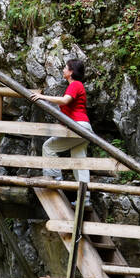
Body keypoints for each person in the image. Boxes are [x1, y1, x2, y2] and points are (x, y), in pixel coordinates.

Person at [30, 58, 93, 195]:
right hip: (83, 127)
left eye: (65, 67)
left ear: (71, 72)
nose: (63, 70)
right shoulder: (76, 86)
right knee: (79, 162)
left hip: (79, 127)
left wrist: (42, 97)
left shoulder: (75, 85)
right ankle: (85, 199)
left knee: (48, 147)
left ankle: (54, 185)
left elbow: (65, 101)